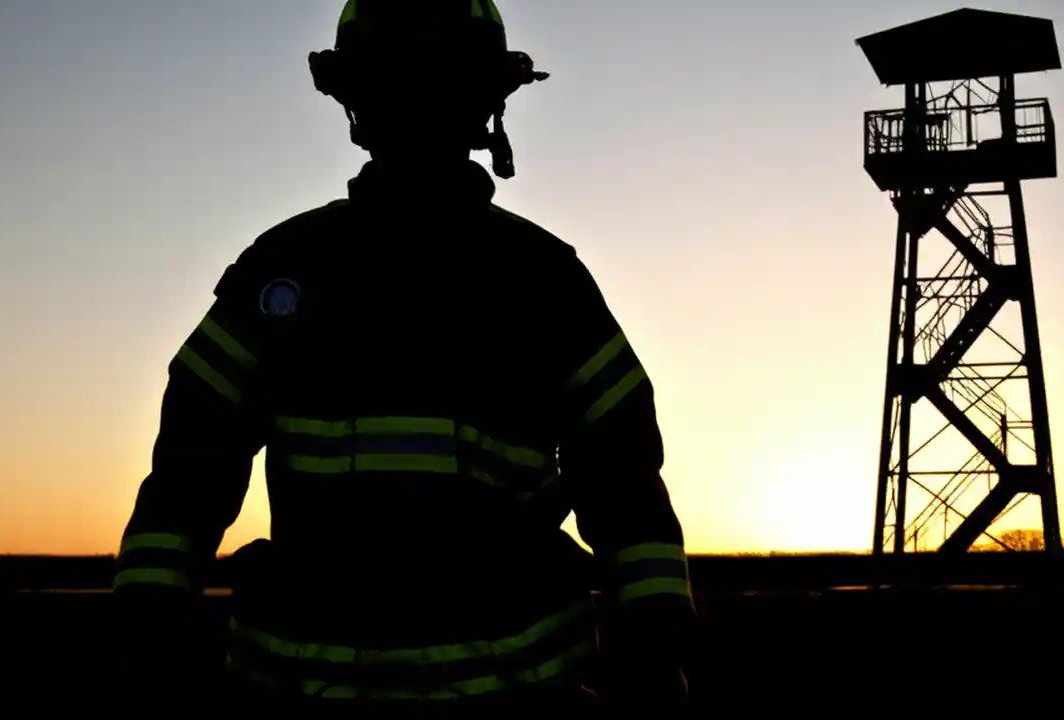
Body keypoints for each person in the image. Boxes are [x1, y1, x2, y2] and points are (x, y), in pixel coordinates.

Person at [110, 1, 697, 716]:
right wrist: (656, 648)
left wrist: (147, 627)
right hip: (513, 698)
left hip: (304, 696)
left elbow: (187, 471)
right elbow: (626, 482)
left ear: (351, 101)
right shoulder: (541, 278)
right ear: (489, 107)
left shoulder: (284, 272)